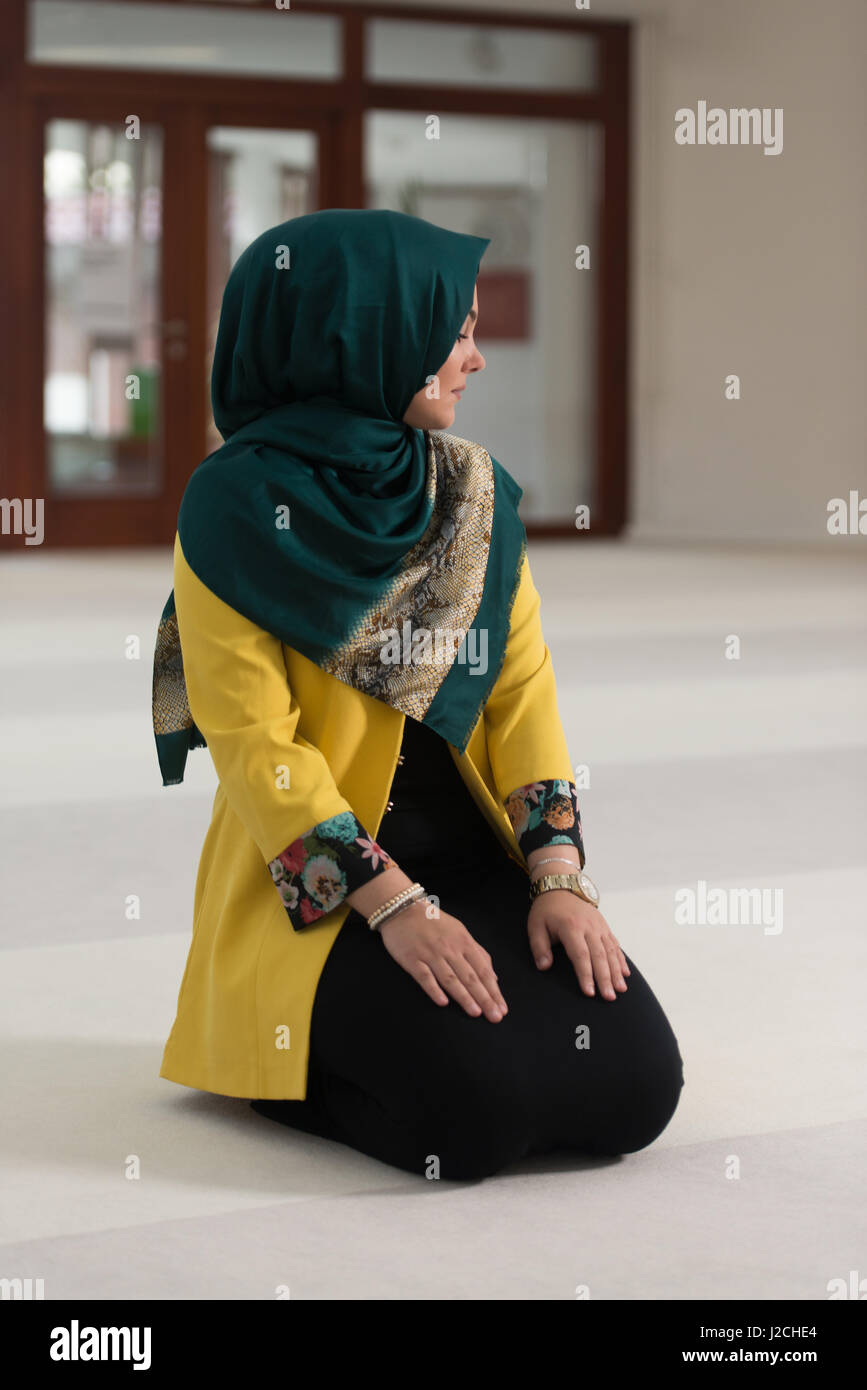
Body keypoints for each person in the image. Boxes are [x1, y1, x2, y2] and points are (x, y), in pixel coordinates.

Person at [152, 208, 684, 1182]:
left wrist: (559, 876)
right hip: (321, 882)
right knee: (469, 1127)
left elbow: (522, 693)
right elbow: (254, 742)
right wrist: (394, 907)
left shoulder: (471, 490)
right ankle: (271, 1066)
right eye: (457, 329)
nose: (475, 358)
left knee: (633, 1092)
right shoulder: (231, 509)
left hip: (475, 852)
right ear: (365, 332)